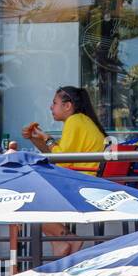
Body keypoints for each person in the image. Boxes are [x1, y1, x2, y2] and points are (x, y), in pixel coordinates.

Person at [23, 86, 109, 257]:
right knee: (32, 194)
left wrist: (47, 139)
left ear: (67, 106)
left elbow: (61, 159)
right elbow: (57, 155)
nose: (50, 107)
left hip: (79, 184)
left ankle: (66, 239)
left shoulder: (75, 121)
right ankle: (60, 241)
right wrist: (36, 139)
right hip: (83, 180)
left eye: (54, 103)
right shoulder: (81, 120)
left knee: (27, 197)